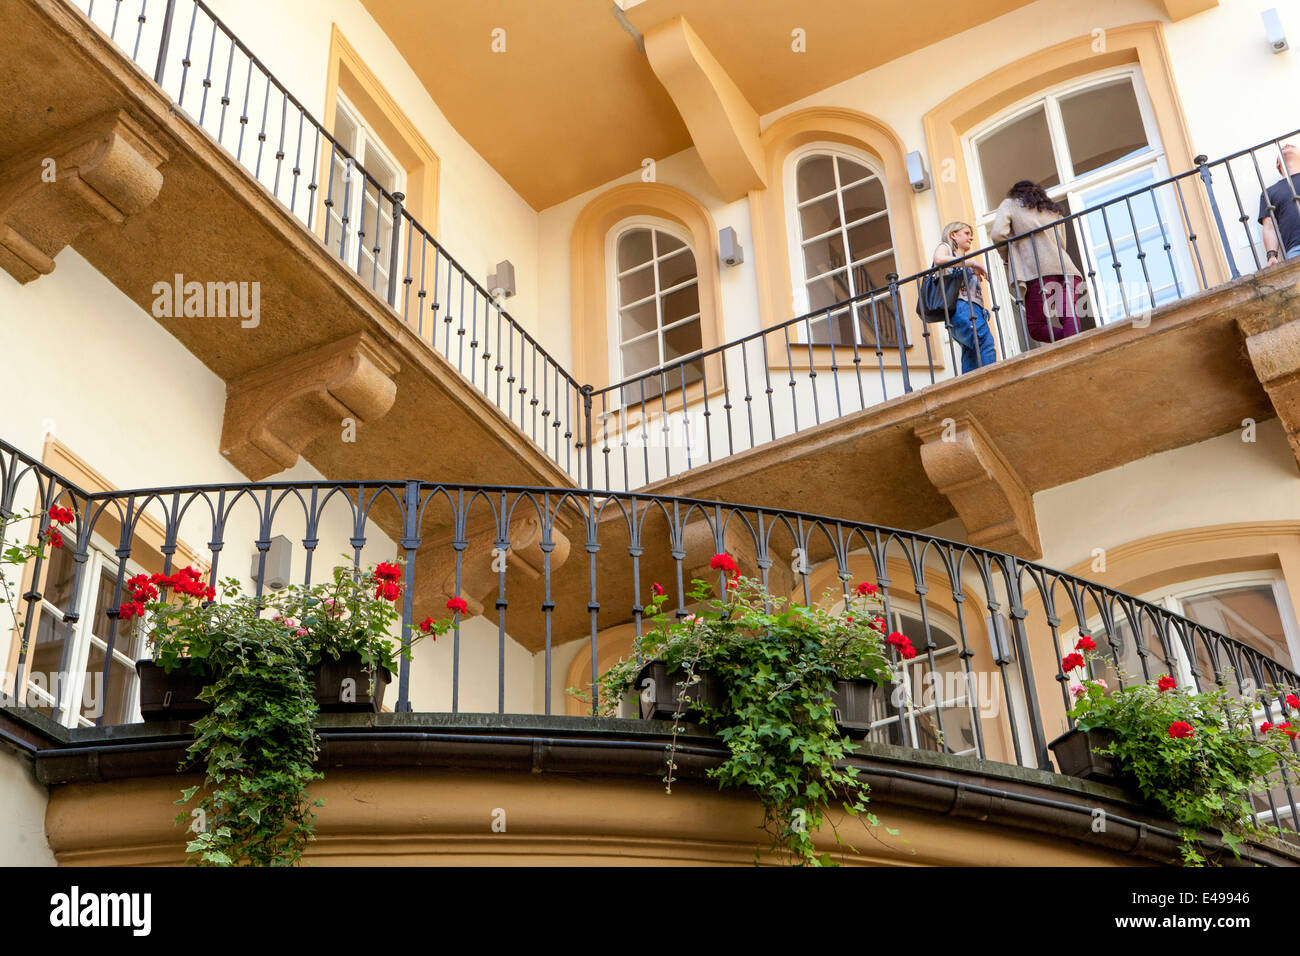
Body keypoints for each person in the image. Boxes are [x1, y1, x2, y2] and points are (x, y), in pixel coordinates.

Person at [990, 180, 1085, 345]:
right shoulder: (1052, 209)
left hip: (1038, 272)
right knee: (1068, 315)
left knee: (1036, 326)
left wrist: (1007, 258)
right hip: (1066, 268)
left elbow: (998, 234)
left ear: (1015, 192)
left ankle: (1072, 346)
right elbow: (1062, 243)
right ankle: (1076, 346)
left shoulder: (1010, 204)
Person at [932, 222, 995, 373]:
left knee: (971, 352)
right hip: (962, 308)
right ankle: (994, 380)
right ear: (953, 235)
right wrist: (971, 263)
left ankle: (973, 389)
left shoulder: (962, 261)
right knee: (985, 343)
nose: (971, 237)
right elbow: (938, 259)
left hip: (972, 310)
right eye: (967, 233)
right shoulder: (945, 247)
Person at [1259, 143, 1300, 267]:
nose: (1286, 144)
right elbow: (1269, 226)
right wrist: (1271, 256)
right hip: (1296, 250)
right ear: (1278, 164)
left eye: (1292, 145)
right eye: (1282, 148)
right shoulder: (1270, 192)